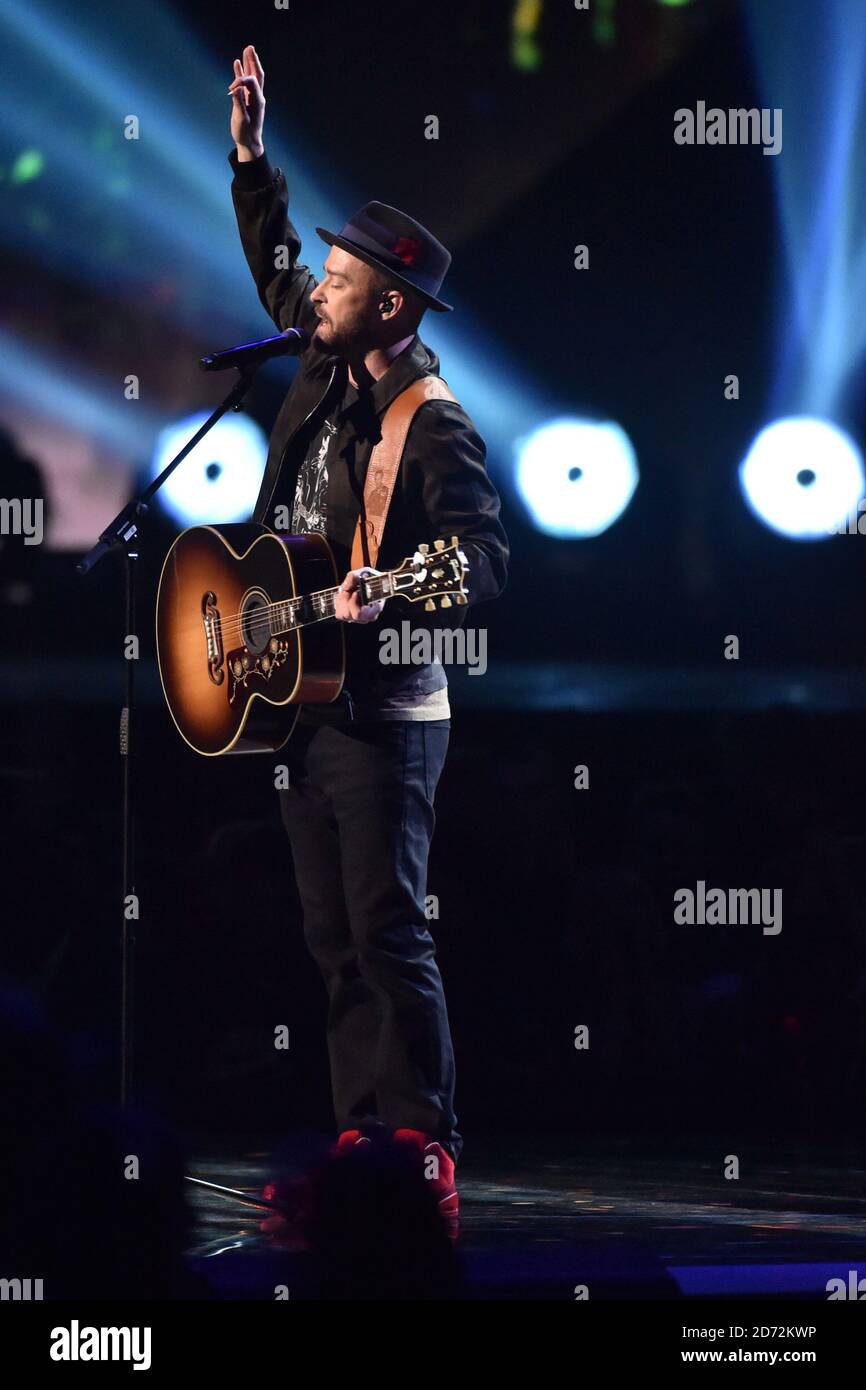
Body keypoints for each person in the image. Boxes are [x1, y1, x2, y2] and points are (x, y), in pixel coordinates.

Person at [227, 45, 508, 1232]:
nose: (314, 296)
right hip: (303, 693)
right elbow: (277, 270)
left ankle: (426, 1144)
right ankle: (361, 1137)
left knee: (390, 927)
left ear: (389, 302)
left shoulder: (428, 421)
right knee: (330, 933)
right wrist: (250, 161)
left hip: (386, 714)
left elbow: (483, 560)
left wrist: (396, 594)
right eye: (324, 279)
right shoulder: (327, 355)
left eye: (339, 284)